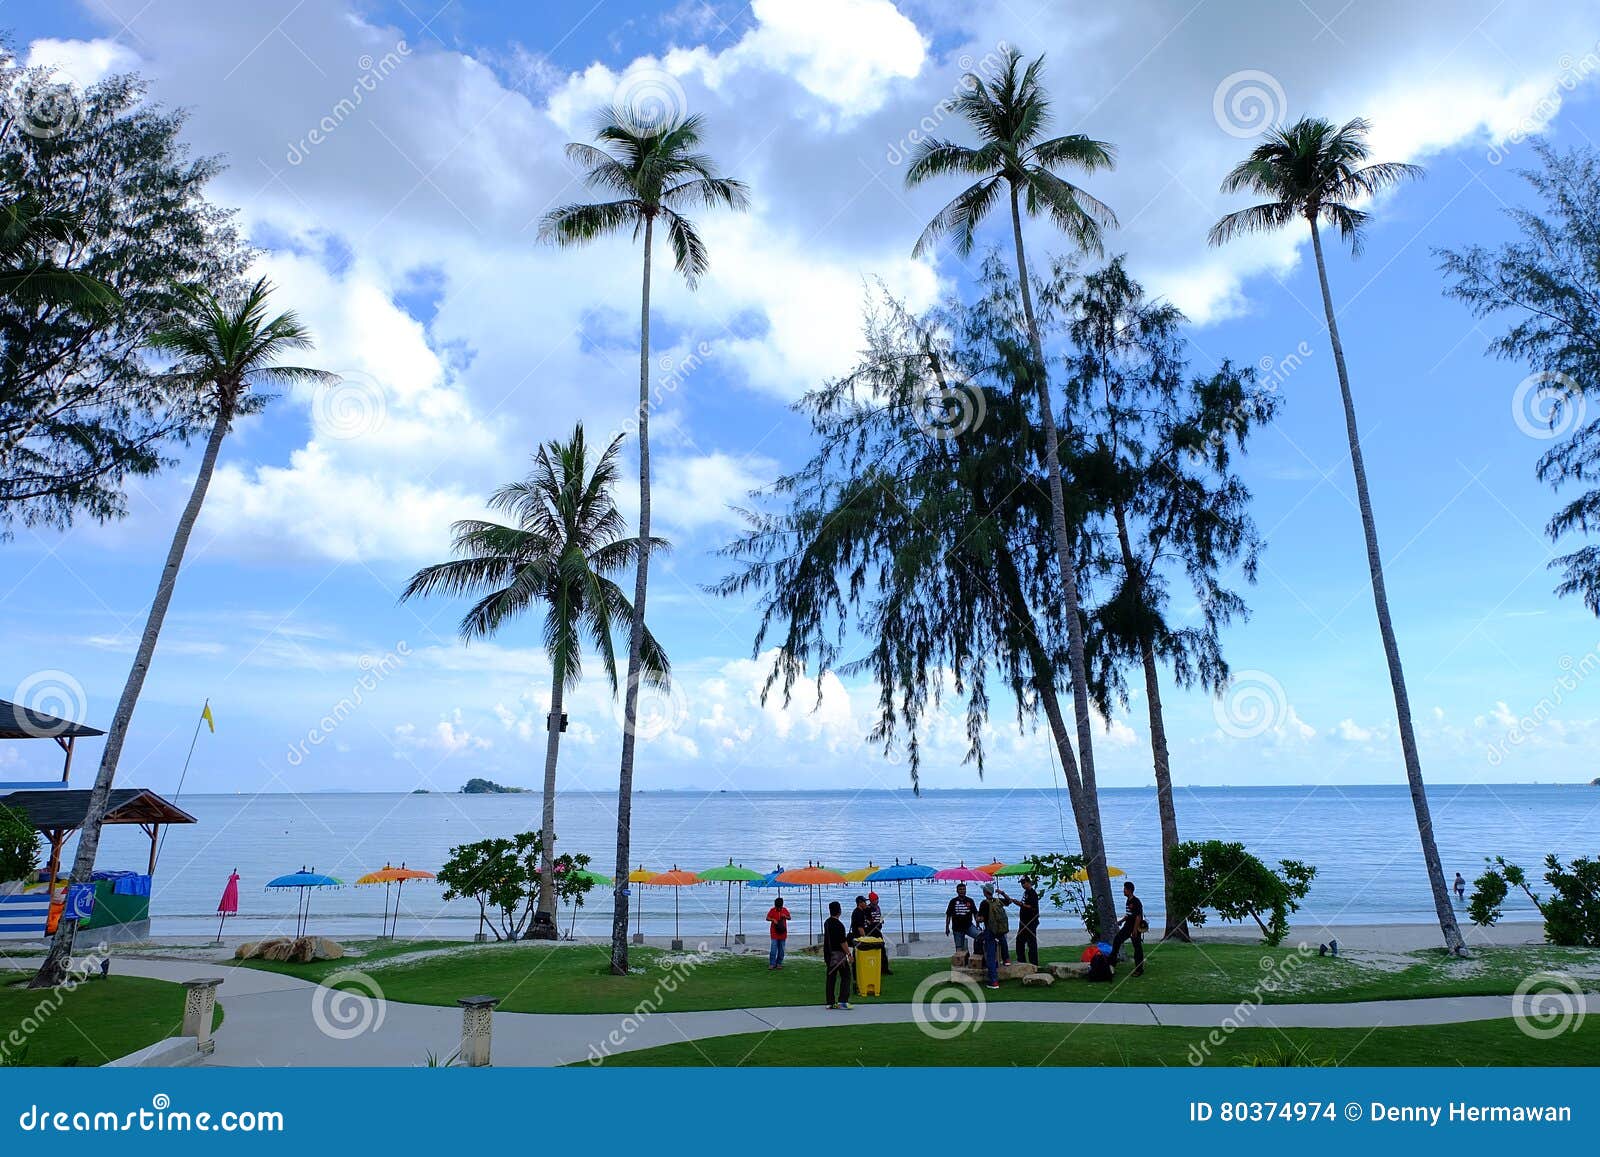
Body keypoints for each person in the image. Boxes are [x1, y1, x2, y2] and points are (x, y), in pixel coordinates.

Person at [1109, 880, 1145, 978]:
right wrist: (1121, 921)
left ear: (1129, 890)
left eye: (1125, 889)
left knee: (1137, 948)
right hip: (1127, 926)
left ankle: (1139, 969)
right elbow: (1129, 915)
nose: (1123, 891)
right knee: (1117, 941)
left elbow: (1138, 917)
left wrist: (1134, 930)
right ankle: (1111, 963)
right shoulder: (1128, 901)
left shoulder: (1136, 901)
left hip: (1135, 927)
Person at [977, 883, 1010, 988]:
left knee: (991, 955)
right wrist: (1003, 893)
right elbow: (1009, 901)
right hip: (1000, 929)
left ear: (985, 892)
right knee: (1002, 939)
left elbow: (981, 919)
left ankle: (994, 981)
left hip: (990, 930)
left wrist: (977, 918)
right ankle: (1007, 959)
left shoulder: (984, 903)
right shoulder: (998, 900)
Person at [823, 899, 853, 1010]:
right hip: (839, 955)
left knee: (831, 978)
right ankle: (842, 1001)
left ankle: (830, 1002)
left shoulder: (827, 923)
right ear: (839, 911)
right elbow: (843, 942)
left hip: (828, 954)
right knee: (846, 976)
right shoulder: (839, 925)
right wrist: (849, 954)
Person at [1012, 875, 1041, 966]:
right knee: (1019, 941)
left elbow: (1031, 907)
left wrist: (1020, 904)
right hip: (1023, 921)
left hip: (1030, 921)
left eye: (1024, 883)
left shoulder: (1032, 893)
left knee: (1031, 942)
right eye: (1021, 883)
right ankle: (1021, 961)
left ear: (1029, 882)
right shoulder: (1026, 893)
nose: (1023, 885)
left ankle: (1034, 963)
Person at [945, 882, 980, 953]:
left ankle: (977, 953)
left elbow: (975, 913)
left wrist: (977, 924)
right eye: (960, 889)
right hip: (957, 928)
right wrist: (947, 927)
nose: (962, 891)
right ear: (957, 891)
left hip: (969, 926)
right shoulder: (953, 901)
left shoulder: (970, 900)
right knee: (959, 948)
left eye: (963, 889)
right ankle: (960, 962)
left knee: (980, 937)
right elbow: (949, 915)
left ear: (966, 890)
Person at [865, 890, 893, 975]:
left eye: (877, 899)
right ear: (872, 900)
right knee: (873, 950)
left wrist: (881, 921)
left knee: (882, 949)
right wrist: (872, 923)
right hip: (872, 931)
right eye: (876, 899)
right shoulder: (868, 909)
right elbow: (867, 920)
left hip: (878, 929)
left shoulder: (878, 907)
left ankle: (884, 968)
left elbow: (879, 916)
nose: (877, 901)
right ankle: (875, 968)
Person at [765, 895, 792, 970]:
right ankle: (772, 963)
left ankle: (779, 963)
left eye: (780, 907)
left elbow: (789, 918)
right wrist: (773, 919)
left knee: (781, 950)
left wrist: (785, 916)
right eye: (777, 907)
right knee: (773, 949)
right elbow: (767, 918)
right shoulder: (772, 910)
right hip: (774, 932)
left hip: (783, 932)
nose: (779, 908)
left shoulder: (784, 910)